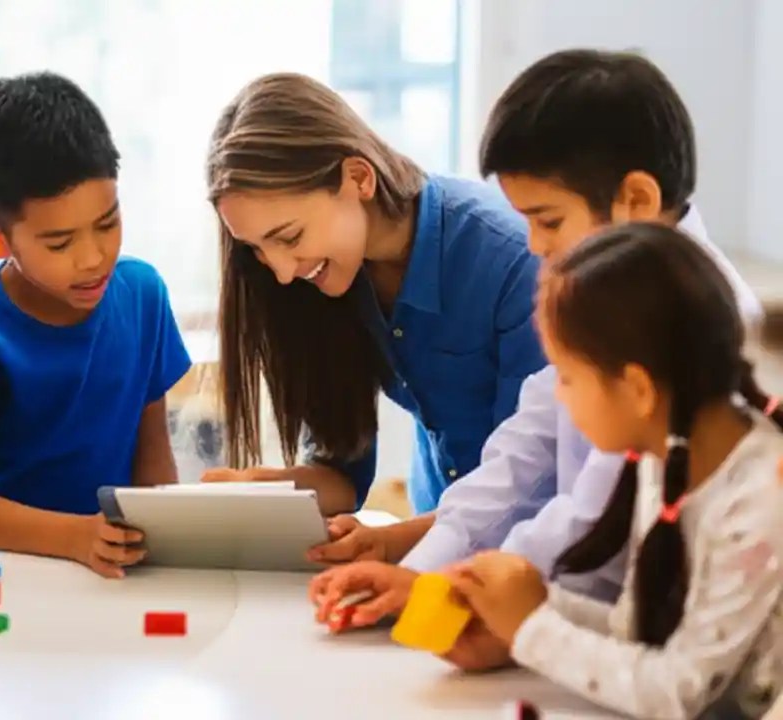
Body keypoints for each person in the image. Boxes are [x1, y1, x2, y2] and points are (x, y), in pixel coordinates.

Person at [304, 50, 763, 671]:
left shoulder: (703, 320)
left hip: (644, 649)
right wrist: (426, 571)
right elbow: (523, 450)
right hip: (586, 626)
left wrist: (461, 589)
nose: (534, 245)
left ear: (634, 199)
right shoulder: (608, 293)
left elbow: (597, 513)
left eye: (548, 220)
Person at [448, 225, 782, 718]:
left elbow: (681, 689)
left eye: (566, 377)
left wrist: (531, 628)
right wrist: (524, 618)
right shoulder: (665, 456)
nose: (559, 396)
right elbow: (639, 631)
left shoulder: (761, 498)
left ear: (637, 390)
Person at [202, 72, 545, 515]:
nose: (282, 273)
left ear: (358, 178)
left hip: (517, 554)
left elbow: (530, 486)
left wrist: (389, 547)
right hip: (433, 544)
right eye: (257, 250)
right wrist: (259, 489)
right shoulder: (322, 282)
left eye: (288, 237)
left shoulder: (513, 262)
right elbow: (341, 479)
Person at [0, 72, 191, 579]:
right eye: (59, 244)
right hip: (9, 580)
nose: (93, 258)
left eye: (108, 223)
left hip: (117, 574)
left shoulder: (143, 294)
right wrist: (77, 537)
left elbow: (154, 470)